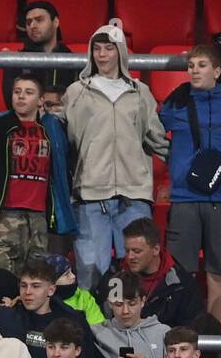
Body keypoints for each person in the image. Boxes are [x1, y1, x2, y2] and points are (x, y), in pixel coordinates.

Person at [61, 23, 168, 289]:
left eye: (109, 48)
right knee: (90, 274)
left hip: (134, 195)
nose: (102, 55)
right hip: (90, 194)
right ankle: (89, 330)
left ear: (120, 52)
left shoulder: (140, 92)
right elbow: (66, 141)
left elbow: (156, 138)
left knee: (137, 275)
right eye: (96, 49)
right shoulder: (76, 92)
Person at [159, 43, 221, 323]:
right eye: (191, 66)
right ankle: (181, 336)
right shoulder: (174, 104)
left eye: (201, 65)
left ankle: (214, 344)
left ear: (217, 70)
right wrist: (174, 167)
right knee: (180, 276)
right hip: (184, 199)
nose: (195, 71)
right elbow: (150, 134)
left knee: (220, 274)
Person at [0, 71, 75, 275]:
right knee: (0, 283)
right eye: (17, 92)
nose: (21, 96)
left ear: (40, 100)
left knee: (34, 284)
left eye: (28, 92)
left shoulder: (52, 129)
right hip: (4, 216)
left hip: (38, 218)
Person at [92, 219, 203, 329]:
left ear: (156, 249)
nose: (130, 257)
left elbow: (188, 332)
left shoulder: (182, 285)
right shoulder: (113, 276)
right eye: (127, 251)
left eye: (137, 251)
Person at [1, 0, 78, 108]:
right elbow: (12, 105)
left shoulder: (74, 61)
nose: (32, 25)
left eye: (39, 20)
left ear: (55, 22)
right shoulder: (16, 62)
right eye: (28, 22)